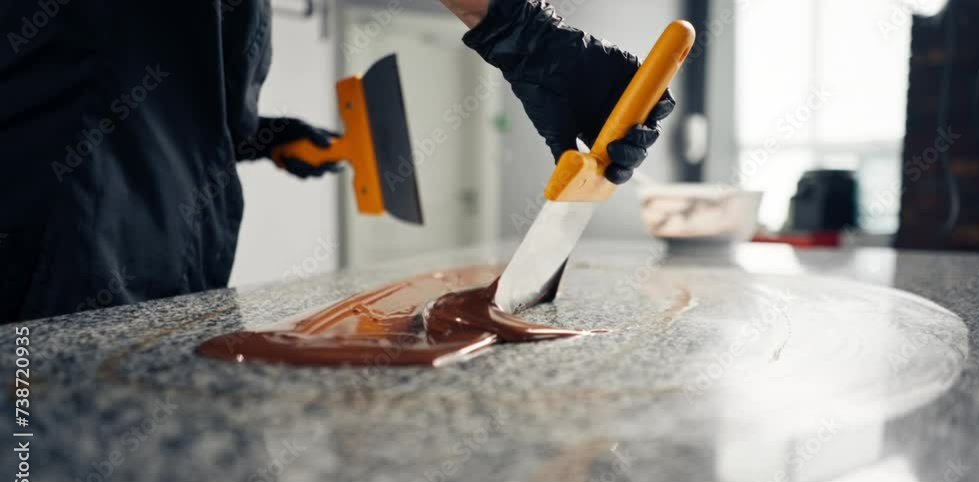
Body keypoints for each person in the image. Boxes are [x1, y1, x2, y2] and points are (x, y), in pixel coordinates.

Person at [0, 0, 674, 322]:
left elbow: (175, 102)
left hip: (188, 279)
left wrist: (267, 136)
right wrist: (528, 36)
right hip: (52, 275)